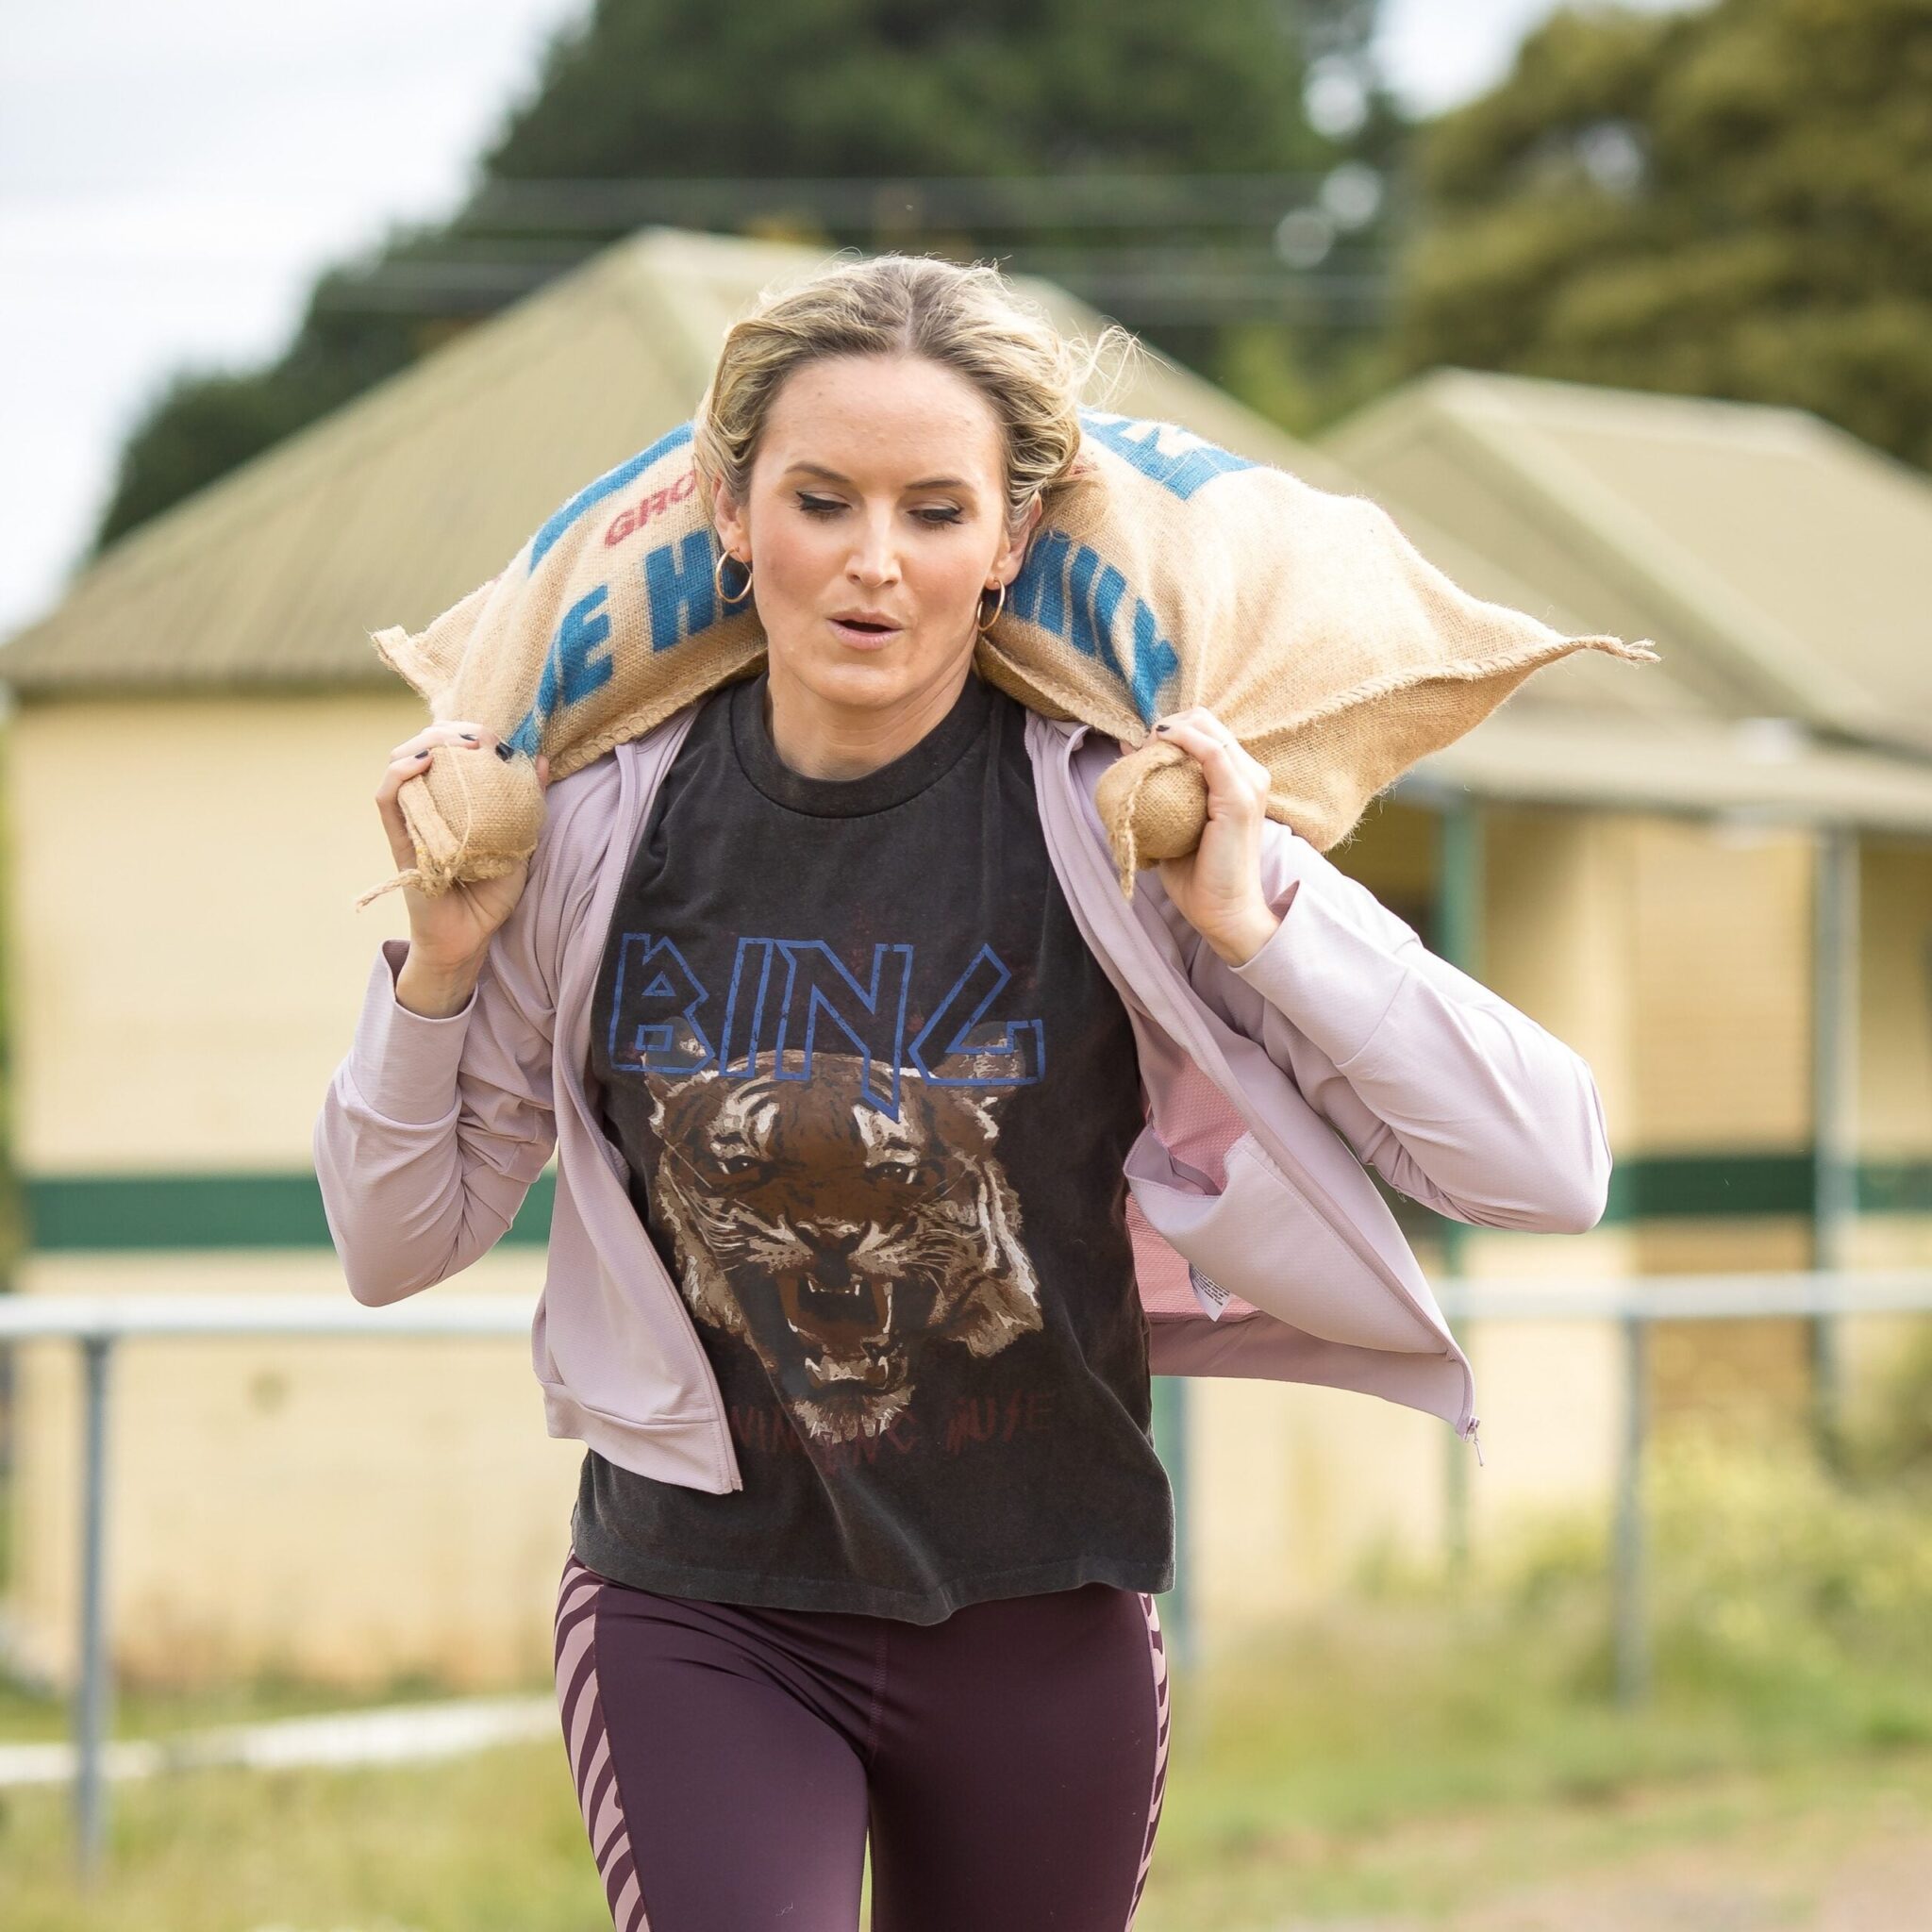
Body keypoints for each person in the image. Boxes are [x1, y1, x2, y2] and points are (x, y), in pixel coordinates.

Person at [317, 254, 1611, 1931]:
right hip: (703, 1609)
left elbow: (1548, 1165)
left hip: (1045, 1612)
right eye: (821, 499)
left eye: (936, 510)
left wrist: (1261, 917)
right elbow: (392, 1239)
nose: (875, 561)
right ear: (728, 512)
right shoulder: (590, 840)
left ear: (1011, 540)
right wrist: (435, 973)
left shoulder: (1123, 831)